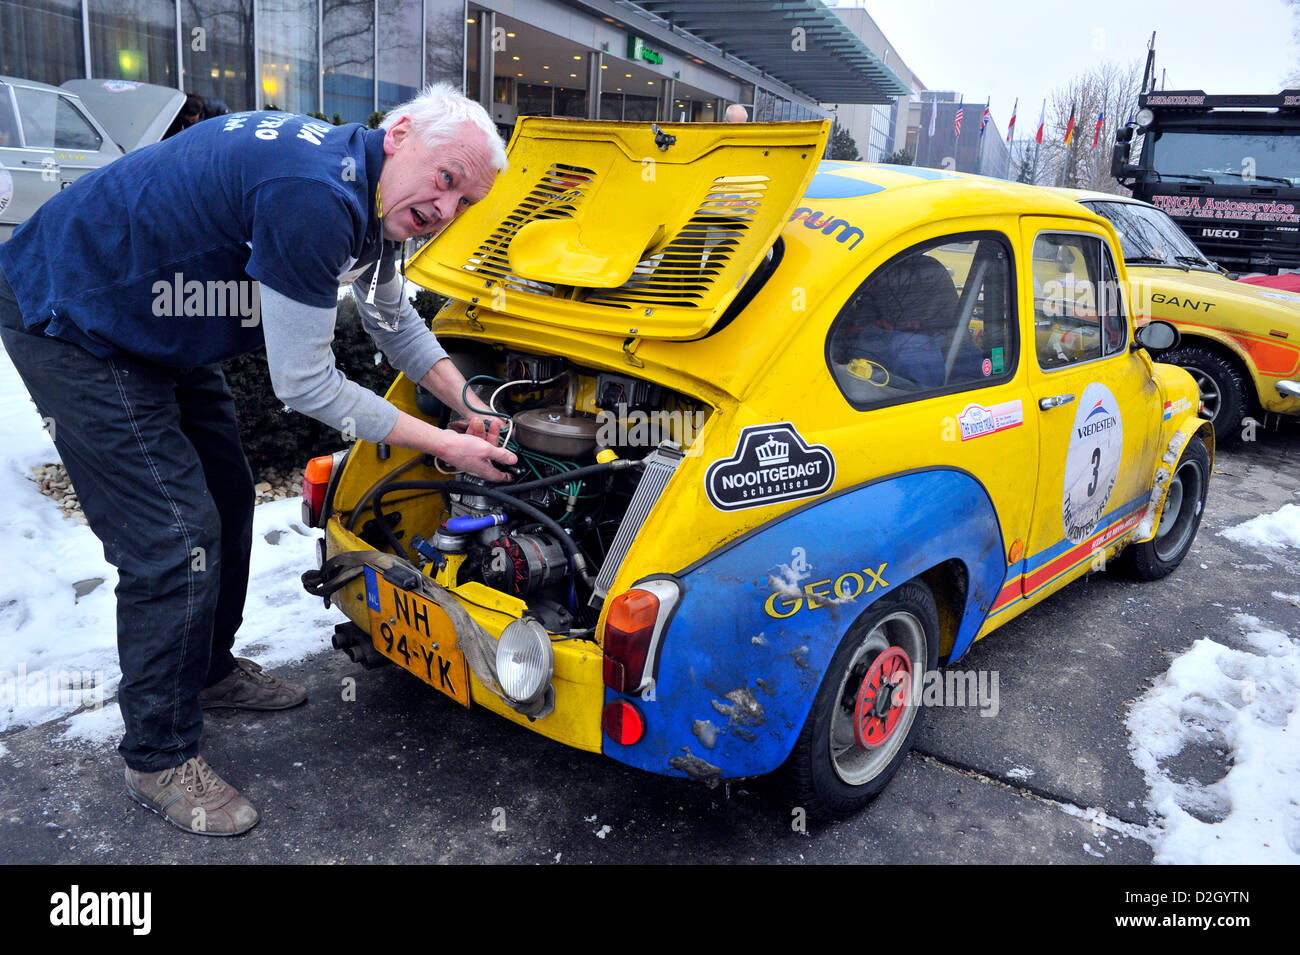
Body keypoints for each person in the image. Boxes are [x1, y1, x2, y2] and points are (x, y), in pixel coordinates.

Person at [0, 83, 516, 836]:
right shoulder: (314, 196)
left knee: (229, 496)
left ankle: (206, 671)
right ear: (400, 133)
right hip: (77, 316)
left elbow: (390, 314)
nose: (446, 209)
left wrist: (465, 399)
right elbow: (305, 382)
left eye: (466, 201)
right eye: (446, 180)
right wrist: (441, 440)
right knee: (174, 543)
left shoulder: (372, 194)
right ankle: (157, 753)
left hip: (157, 321)